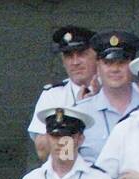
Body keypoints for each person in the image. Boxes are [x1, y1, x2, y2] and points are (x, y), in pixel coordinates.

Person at [28, 26, 100, 162]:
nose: (75, 62)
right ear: (63, 61)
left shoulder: (111, 92)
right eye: (69, 56)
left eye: (82, 54)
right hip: (70, 174)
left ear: (96, 56)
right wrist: (78, 110)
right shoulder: (53, 95)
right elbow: (42, 150)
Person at [73, 29, 139, 163]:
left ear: (133, 65)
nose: (115, 69)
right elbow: (64, 164)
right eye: (108, 63)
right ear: (98, 66)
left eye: (121, 63)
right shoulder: (79, 113)